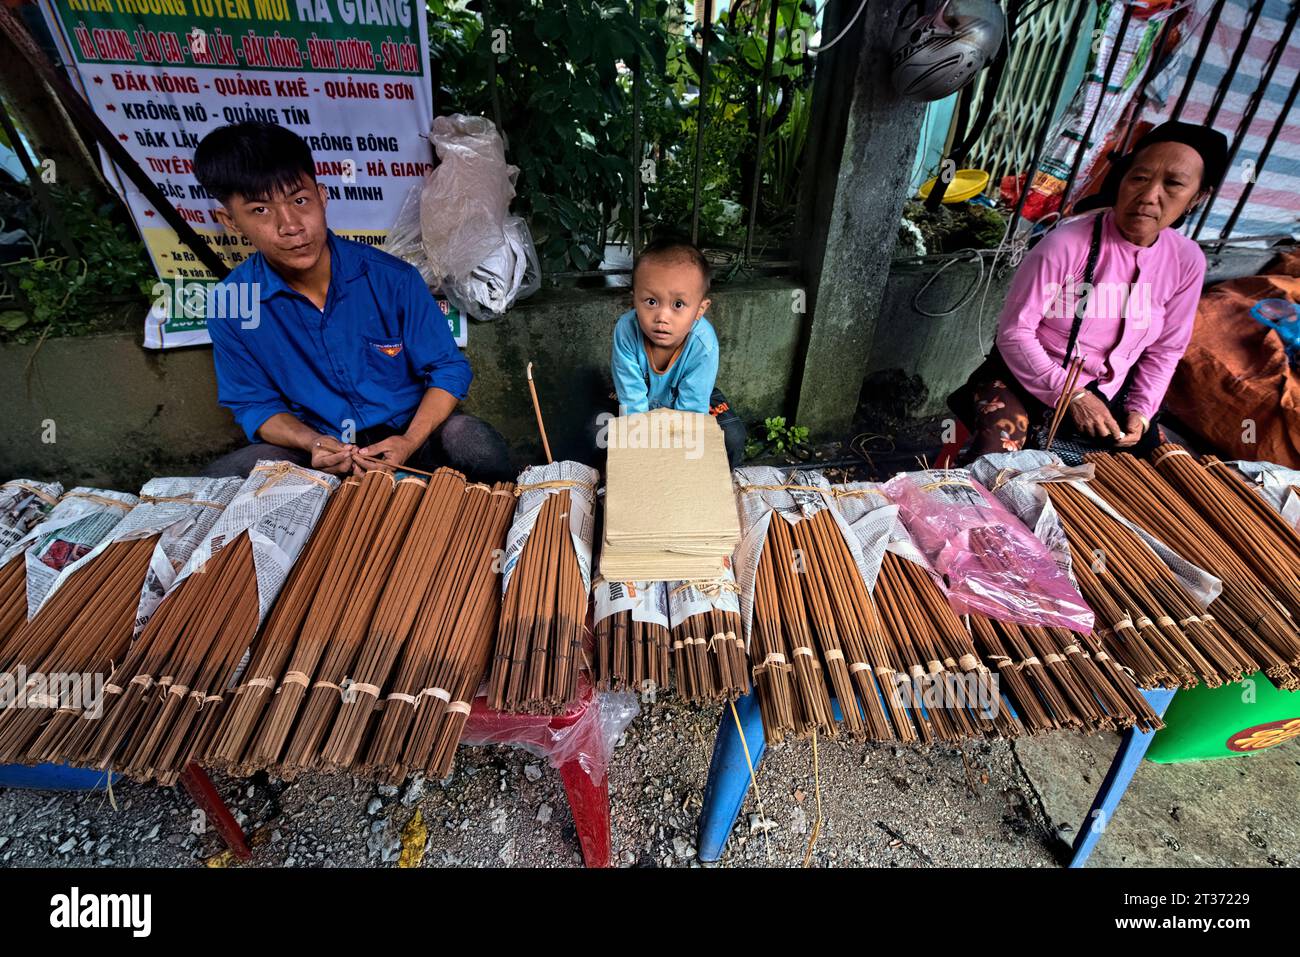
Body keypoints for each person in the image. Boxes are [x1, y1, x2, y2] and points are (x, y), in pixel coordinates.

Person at [193, 121, 513, 482]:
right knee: (231, 472)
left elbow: (448, 369)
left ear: (322, 196)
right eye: (260, 211)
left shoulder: (391, 279)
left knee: (469, 439)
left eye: (300, 201)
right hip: (319, 454)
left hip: (409, 443)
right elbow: (254, 405)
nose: (290, 226)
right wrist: (312, 441)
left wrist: (408, 441)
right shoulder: (233, 304)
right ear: (230, 221)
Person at [951, 121, 1229, 461]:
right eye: (1139, 178)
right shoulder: (1066, 243)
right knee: (999, 450)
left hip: (1112, 394)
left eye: (1172, 184)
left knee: (1162, 471)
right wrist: (1073, 396)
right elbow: (1014, 332)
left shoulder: (1186, 261)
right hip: (1025, 379)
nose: (1149, 195)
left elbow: (1166, 350)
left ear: (1198, 197)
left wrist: (1140, 411)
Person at [609, 238, 747, 467]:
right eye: (651, 301)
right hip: (640, 400)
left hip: (691, 399)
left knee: (732, 437)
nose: (662, 316)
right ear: (634, 298)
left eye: (678, 305)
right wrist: (643, 451)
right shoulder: (626, 331)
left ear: (700, 310)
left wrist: (676, 463)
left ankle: (713, 484)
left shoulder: (703, 344)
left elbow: (691, 412)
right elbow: (632, 402)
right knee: (597, 434)